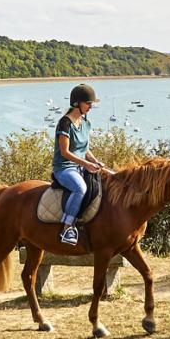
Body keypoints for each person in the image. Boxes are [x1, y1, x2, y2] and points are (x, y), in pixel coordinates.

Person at [52, 84, 110, 248]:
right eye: (88, 103)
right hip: (64, 168)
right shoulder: (65, 123)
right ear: (77, 103)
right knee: (80, 188)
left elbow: (85, 150)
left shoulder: (86, 123)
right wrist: (87, 164)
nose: (91, 107)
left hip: (80, 166)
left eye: (92, 104)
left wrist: (95, 162)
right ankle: (67, 228)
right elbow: (65, 152)